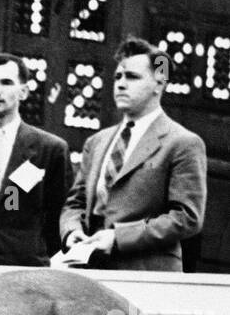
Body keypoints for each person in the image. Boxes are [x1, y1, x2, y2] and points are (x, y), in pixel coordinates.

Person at [59, 36, 207, 271]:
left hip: (145, 273)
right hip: (89, 270)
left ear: (159, 83)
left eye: (132, 77)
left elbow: (187, 217)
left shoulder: (182, 143)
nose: (120, 84)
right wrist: (72, 231)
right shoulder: (97, 142)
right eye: (118, 76)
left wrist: (118, 238)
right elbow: (75, 203)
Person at [0, 53, 71, 266]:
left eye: (6, 82)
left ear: (24, 91)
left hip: (24, 268)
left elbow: (58, 217)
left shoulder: (49, 149)